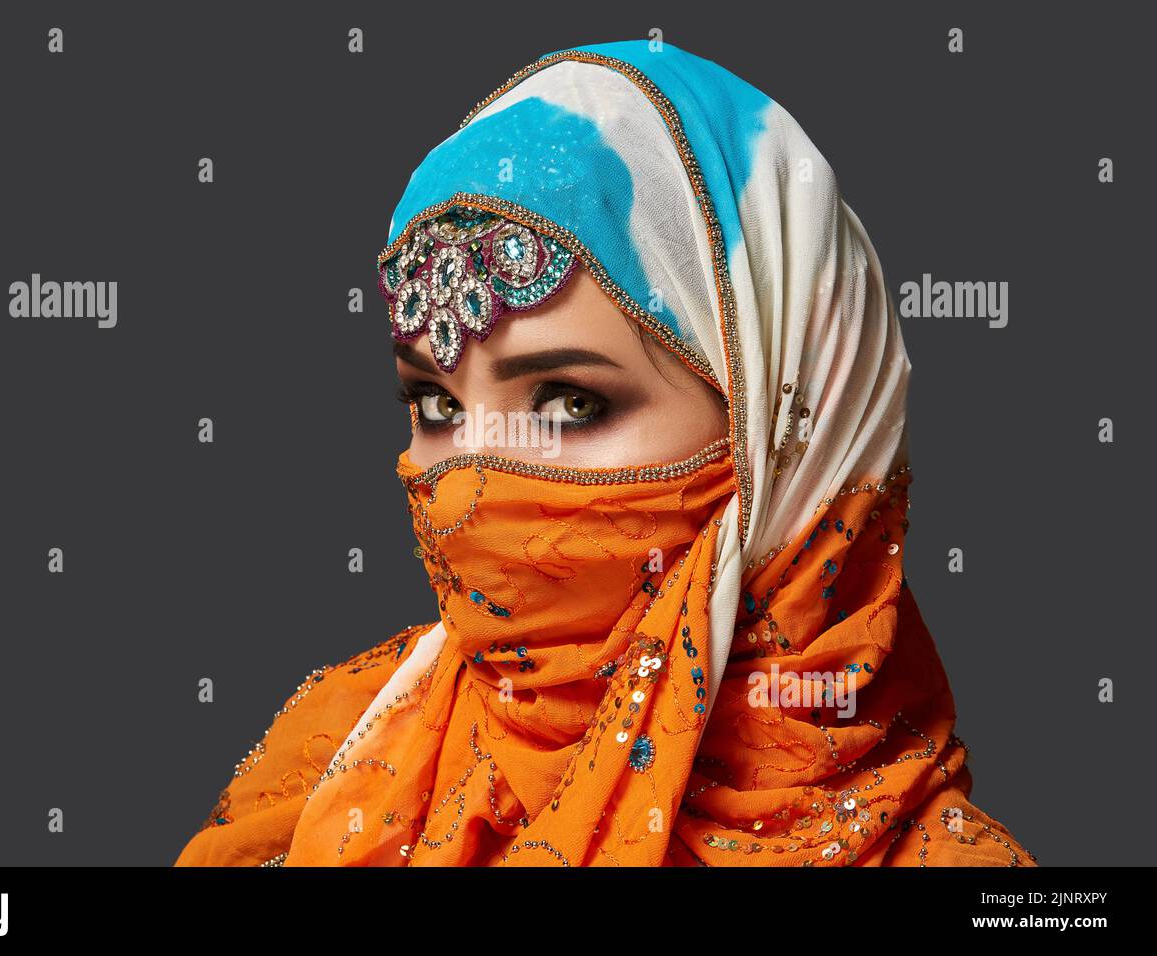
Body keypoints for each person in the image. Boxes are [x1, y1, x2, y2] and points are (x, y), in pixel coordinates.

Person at [174, 39, 1036, 867]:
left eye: (567, 403)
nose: (462, 491)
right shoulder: (341, 761)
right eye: (435, 404)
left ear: (787, 434)